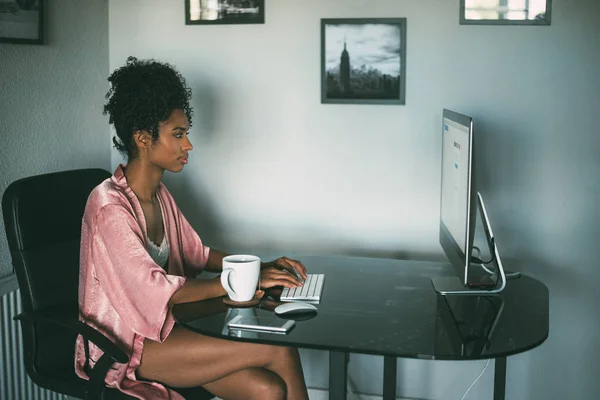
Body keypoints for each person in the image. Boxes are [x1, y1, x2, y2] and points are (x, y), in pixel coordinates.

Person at [75, 56, 310, 400]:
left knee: (268, 389)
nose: (189, 145)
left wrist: (261, 268)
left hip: (162, 327)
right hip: (124, 345)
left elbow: (195, 254)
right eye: (178, 134)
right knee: (281, 351)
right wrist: (246, 283)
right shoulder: (109, 206)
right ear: (142, 138)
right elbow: (151, 290)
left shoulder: (158, 194)